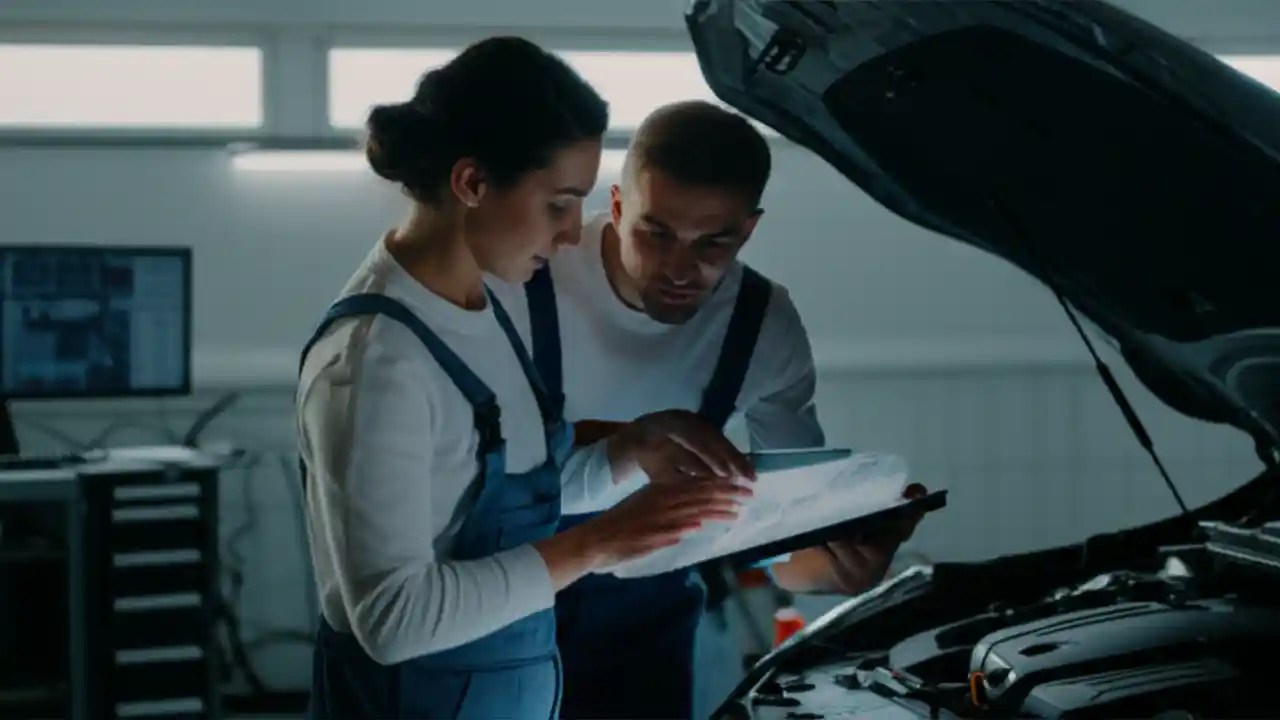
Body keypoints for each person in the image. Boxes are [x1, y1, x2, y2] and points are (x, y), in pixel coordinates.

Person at [294, 42, 751, 720]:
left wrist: (627, 455)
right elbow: (391, 619)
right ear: (472, 183)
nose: (573, 234)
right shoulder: (373, 363)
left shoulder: (487, 308)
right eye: (560, 203)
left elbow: (491, 495)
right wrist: (597, 544)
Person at [490, 100, 923, 719]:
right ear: (615, 207)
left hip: (644, 639)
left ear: (748, 230)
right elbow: (461, 485)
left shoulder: (763, 329)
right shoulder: (527, 279)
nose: (679, 269)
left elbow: (786, 551)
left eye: (712, 243)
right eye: (656, 233)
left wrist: (842, 569)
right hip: (496, 617)